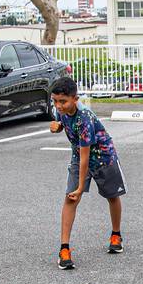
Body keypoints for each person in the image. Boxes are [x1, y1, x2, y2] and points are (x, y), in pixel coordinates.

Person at [48, 76, 127, 270]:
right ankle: (64, 249)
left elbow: (86, 156)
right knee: (70, 199)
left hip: (103, 157)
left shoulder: (84, 118)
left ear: (75, 99)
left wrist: (81, 186)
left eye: (62, 101)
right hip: (79, 155)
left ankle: (116, 235)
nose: (58, 106)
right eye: (55, 101)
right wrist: (58, 127)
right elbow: (66, 127)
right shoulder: (64, 110)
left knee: (112, 195)